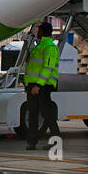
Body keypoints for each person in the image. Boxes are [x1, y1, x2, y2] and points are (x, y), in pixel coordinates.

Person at [22, 21, 60, 150]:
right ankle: (32, 142)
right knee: (33, 114)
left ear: (43, 32)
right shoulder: (39, 46)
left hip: (42, 86)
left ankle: (56, 141)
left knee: (46, 114)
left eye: (38, 30)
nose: (36, 32)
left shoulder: (49, 47)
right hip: (33, 84)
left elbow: (48, 68)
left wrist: (38, 85)